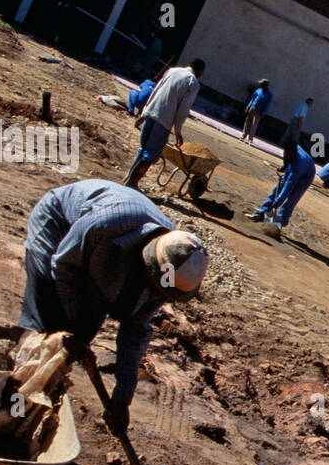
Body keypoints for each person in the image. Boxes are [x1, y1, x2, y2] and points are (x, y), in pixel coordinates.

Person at [20, 179, 209, 432]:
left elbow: (134, 329)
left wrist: (122, 400)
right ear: (150, 266)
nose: (156, 295)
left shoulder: (172, 272)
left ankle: (37, 404)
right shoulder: (108, 224)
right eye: (155, 287)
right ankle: (13, 398)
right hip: (59, 225)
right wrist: (70, 326)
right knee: (48, 322)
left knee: (83, 333)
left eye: (163, 292)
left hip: (98, 254)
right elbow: (64, 265)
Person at [123, 58, 205, 189]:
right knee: (150, 155)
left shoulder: (172, 71)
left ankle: (128, 178)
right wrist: (178, 130)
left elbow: (156, 91)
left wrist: (144, 114)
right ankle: (132, 183)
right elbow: (183, 108)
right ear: (200, 71)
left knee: (143, 150)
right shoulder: (193, 83)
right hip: (164, 121)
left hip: (150, 113)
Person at [245, 143, 317, 233]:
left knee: (291, 199)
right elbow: (287, 159)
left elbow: (288, 188)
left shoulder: (299, 166)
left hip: (306, 176)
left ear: (294, 154)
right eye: (285, 153)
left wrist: (277, 203)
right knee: (276, 189)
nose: (286, 155)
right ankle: (263, 213)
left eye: (288, 154)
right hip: (295, 166)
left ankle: (278, 224)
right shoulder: (293, 149)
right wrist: (285, 166)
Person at [241, 79, 272, 143]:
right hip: (252, 108)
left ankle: (250, 138)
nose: (260, 85)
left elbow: (267, 105)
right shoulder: (258, 90)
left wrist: (263, 113)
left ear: (266, 85)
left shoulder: (269, 94)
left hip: (259, 112)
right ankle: (244, 135)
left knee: (254, 124)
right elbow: (252, 99)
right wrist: (248, 106)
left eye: (262, 84)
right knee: (247, 122)